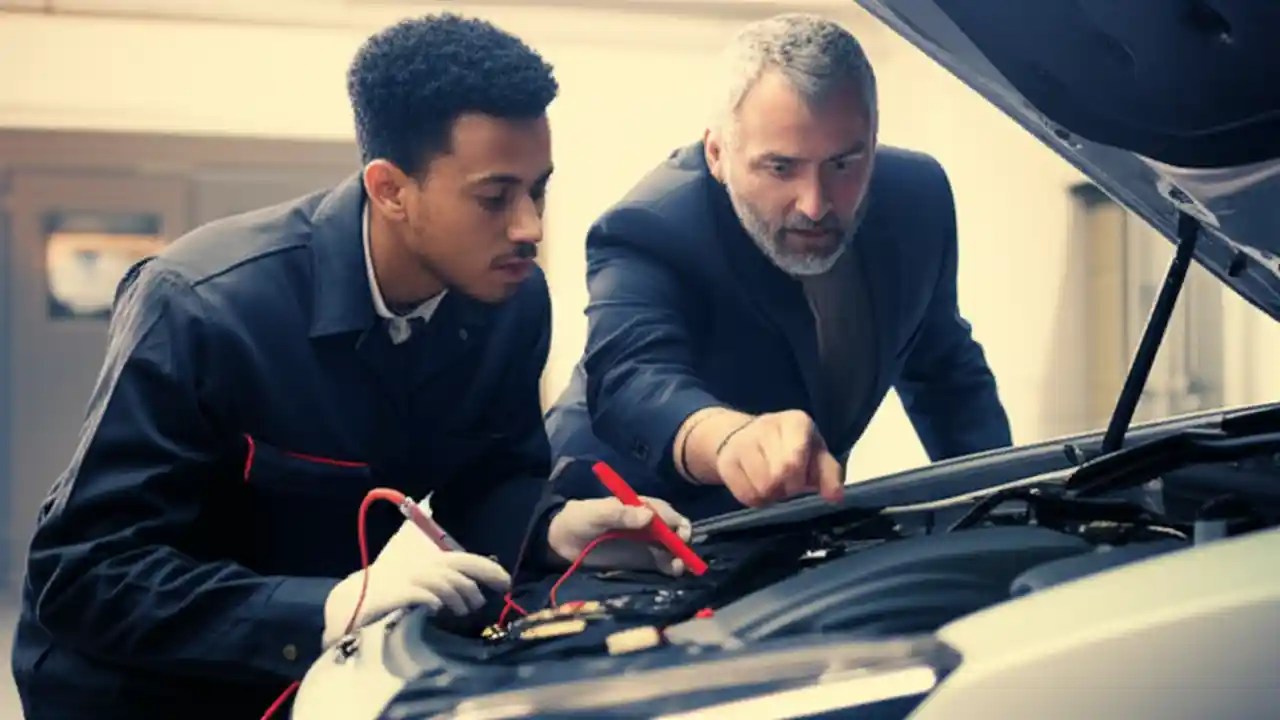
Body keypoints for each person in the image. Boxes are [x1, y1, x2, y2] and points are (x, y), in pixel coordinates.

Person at [10, 14, 691, 720]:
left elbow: (487, 481)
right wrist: (331, 604)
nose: (530, 228)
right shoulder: (201, 307)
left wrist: (555, 529)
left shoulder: (511, 303)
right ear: (390, 189)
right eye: (494, 198)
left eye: (538, 189)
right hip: (132, 692)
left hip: (327, 680)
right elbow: (83, 575)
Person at [544, 13, 1012, 521]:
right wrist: (729, 439)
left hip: (791, 530)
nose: (814, 204)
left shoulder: (917, 199)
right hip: (616, 523)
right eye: (781, 167)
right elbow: (630, 378)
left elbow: (946, 373)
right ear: (718, 153)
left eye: (843, 163)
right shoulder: (649, 225)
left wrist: (1009, 507)